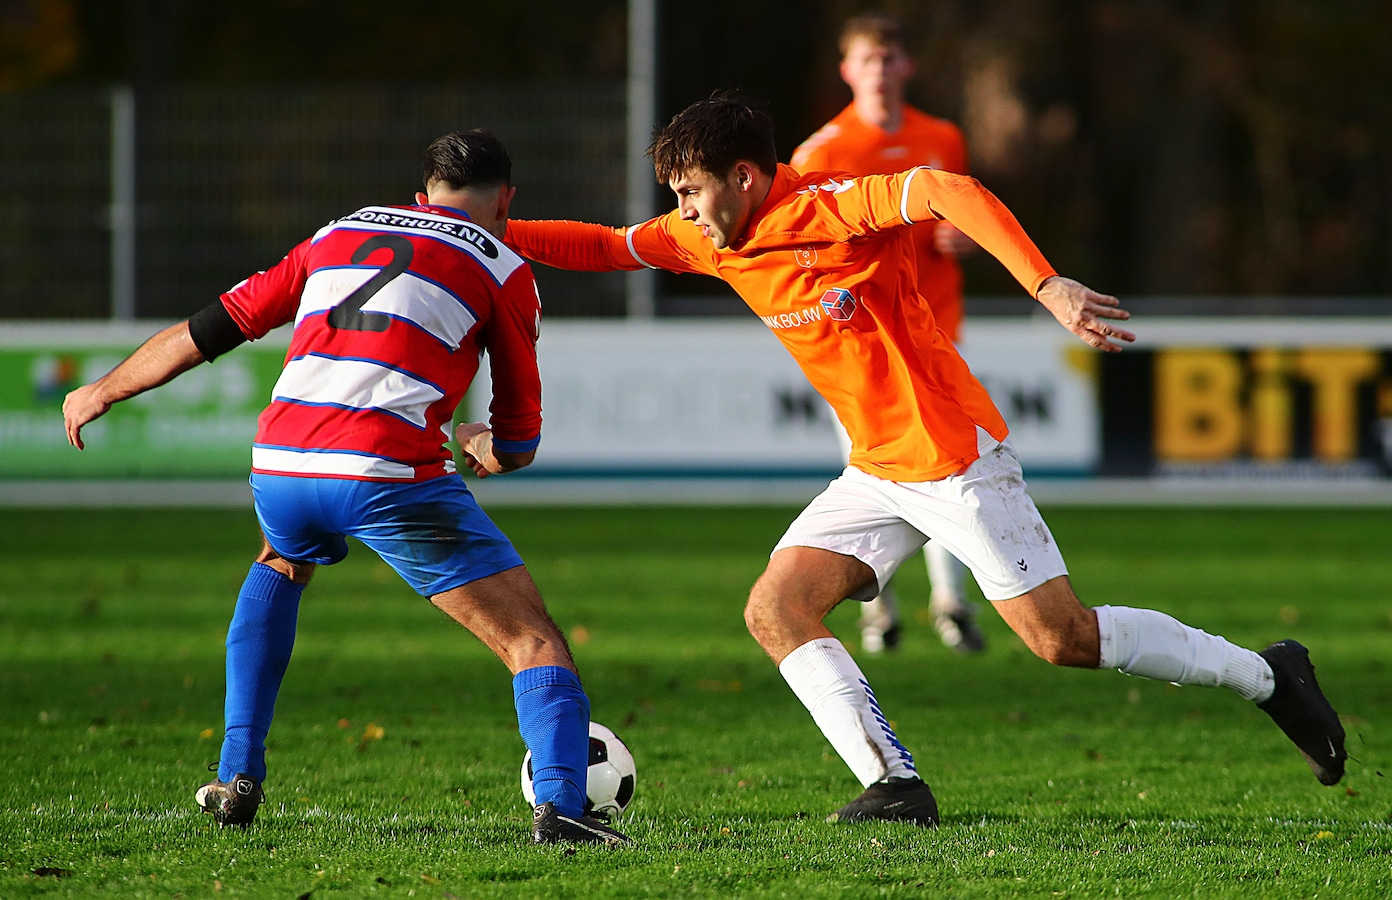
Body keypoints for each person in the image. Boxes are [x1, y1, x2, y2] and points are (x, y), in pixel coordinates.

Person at [501, 93, 1347, 826]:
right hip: (877, 470)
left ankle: (1267, 677)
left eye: (690, 190)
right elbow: (607, 245)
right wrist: (481, 227)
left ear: (745, 178)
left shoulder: (830, 206)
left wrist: (1046, 284)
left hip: (952, 459)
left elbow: (946, 188)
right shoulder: (708, 238)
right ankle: (893, 782)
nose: (680, 209)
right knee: (776, 608)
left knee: (1062, 639)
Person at [62, 130, 629, 846]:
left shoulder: (340, 230)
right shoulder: (504, 265)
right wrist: (480, 445)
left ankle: (238, 773)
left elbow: (211, 328)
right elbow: (517, 440)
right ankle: (563, 808)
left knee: (279, 562)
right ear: (508, 201)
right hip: (387, 471)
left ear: (421, 195)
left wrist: (103, 390)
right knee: (532, 640)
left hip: (280, 462)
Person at [792, 13, 984, 656]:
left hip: (934, 331)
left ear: (907, 66)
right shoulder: (820, 154)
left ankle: (952, 604)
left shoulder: (942, 138)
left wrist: (959, 237)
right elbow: (806, 254)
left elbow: (957, 218)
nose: (880, 69)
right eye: (868, 59)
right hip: (862, 348)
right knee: (874, 471)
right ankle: (883, 611)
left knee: (949, 463)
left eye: (890, 57)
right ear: (848, 70)